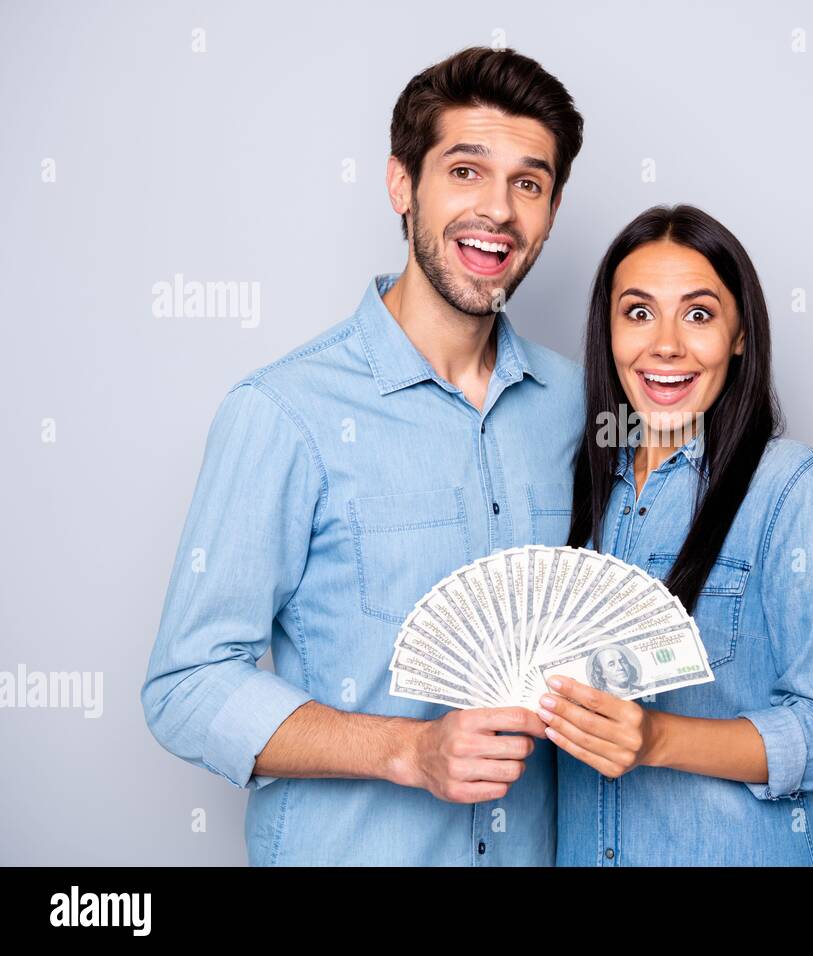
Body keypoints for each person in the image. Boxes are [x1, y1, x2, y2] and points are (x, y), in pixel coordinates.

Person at [141, 47, 585, 865]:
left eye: (529, 183)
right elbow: (186, 685)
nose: (497, 211)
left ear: (553, 211)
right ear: (400, 185)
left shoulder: (579, 409)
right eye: (464, 170)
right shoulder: (283, 412)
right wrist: (408, 752)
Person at [546, 204, 813, 866]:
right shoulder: (574, 486)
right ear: (607, 331)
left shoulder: (790, 488)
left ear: (740, 334)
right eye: (638, 312)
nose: (665, 343)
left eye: (698, 314)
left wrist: (656, 738)